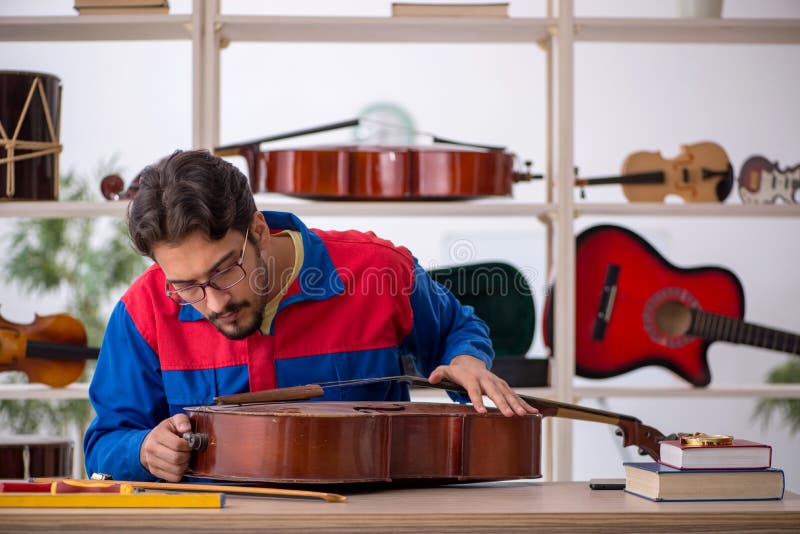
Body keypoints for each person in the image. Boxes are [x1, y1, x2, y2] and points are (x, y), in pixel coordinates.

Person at [84, 149, 537, 482]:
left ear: (258, 230)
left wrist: (467, 361)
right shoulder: (142, 311)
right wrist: (142, 449)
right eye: (186, 286)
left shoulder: (376, 270)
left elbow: (458, 328)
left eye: (225, 271)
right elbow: (104, 443)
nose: (214, 303)